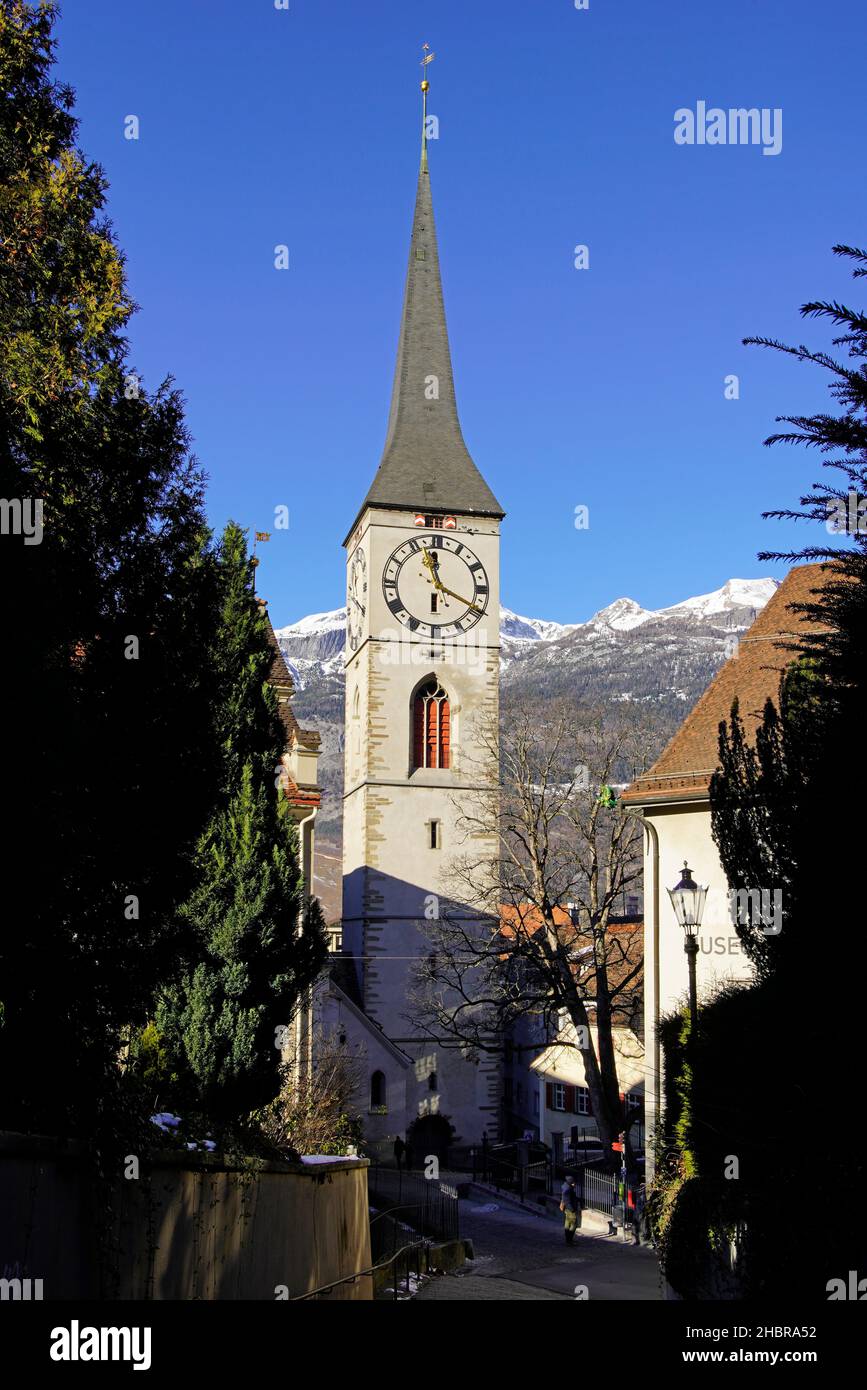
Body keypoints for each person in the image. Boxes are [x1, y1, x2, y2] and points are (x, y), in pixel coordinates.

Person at [560, 1174, 579, 1245]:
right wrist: (572, 1209)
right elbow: (567, 1200)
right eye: (573, 1182)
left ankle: (568, 1240)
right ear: (570, 1182)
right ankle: (569, 1240)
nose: (575, 1183)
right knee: (574, 1224)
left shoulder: (567, 1187)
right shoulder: (568, 1189)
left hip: (567, 1208)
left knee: (567, 1223)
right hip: (570, 1209)